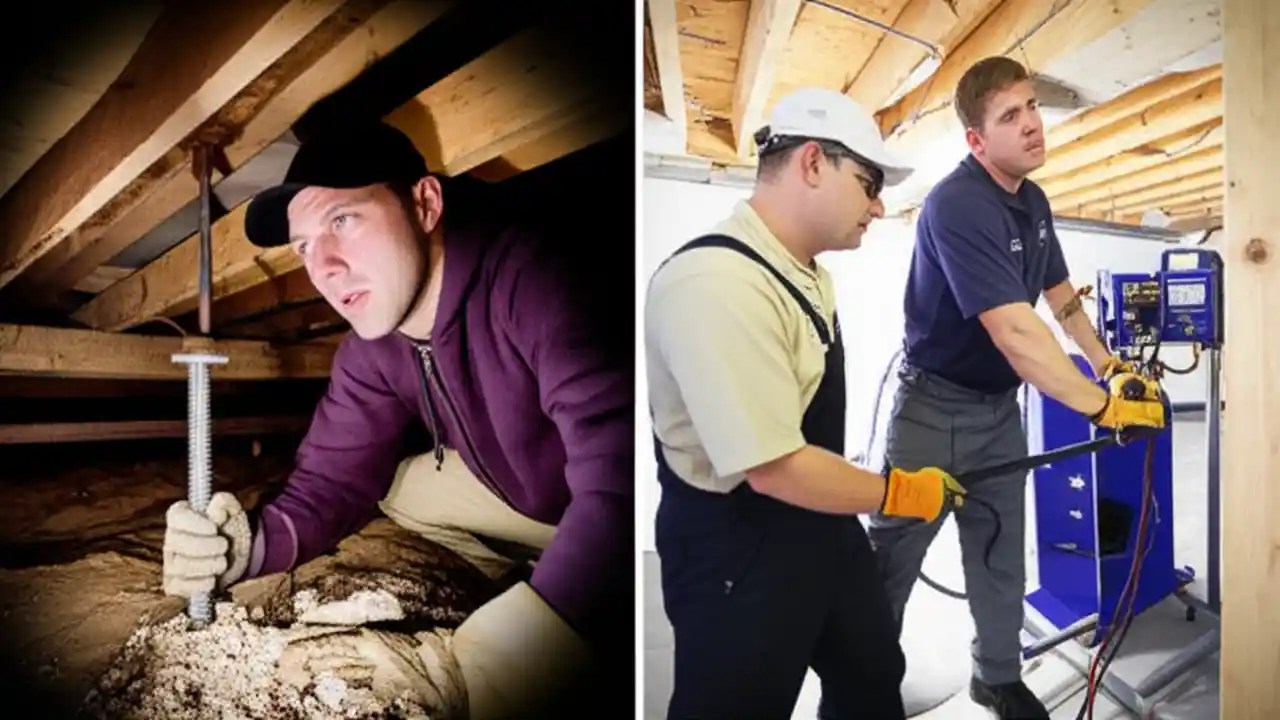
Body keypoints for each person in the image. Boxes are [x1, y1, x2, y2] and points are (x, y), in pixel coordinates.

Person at [158, 121, 633, 718]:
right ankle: (549, 559)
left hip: (629, 503)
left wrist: (548, 620)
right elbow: (331, 480)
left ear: (426, 204)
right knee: (404, 488)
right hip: (531, 493)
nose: (323, 266)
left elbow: (630, 473)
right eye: (303, 246)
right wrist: (245, 546)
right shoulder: (371, 347)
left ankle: (577, 576)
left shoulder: (537, 275)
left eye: (342, 222)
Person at [645, 87, 969, 720]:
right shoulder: (716, 284)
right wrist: (901, 492)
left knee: (872, 670)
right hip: (736, 551)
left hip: (820, 528)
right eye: (869, 183)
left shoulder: (806, 273)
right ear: (814, 162)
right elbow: (772, 468)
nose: (878, 206)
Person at [867, 56, 1166, 719]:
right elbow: (1017, 334)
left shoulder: (1032, 201)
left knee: (1000, 554)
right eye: (1011, 115)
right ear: (976, 140)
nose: (1033, 124)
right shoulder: (956, 205)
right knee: (890, 559)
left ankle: (996, 677)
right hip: (931, 411)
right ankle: (861, 684)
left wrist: (1109, 364)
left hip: (1000, 411)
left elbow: (1061, 302)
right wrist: (1101, 404)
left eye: (1032, 106)